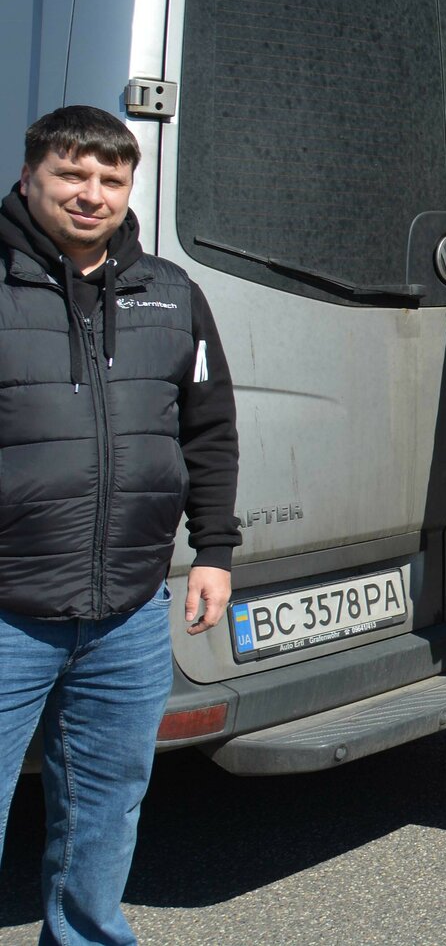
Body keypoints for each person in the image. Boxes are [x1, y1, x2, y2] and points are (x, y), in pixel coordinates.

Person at [0, 106, 240, 943]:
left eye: (111, 178)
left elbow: (208, 431)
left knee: (104, 809)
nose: (91, 194)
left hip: (130, 612)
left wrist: (213, 551)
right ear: (31, 176)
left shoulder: (171, 294)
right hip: (7, 612)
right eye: (72, 175)